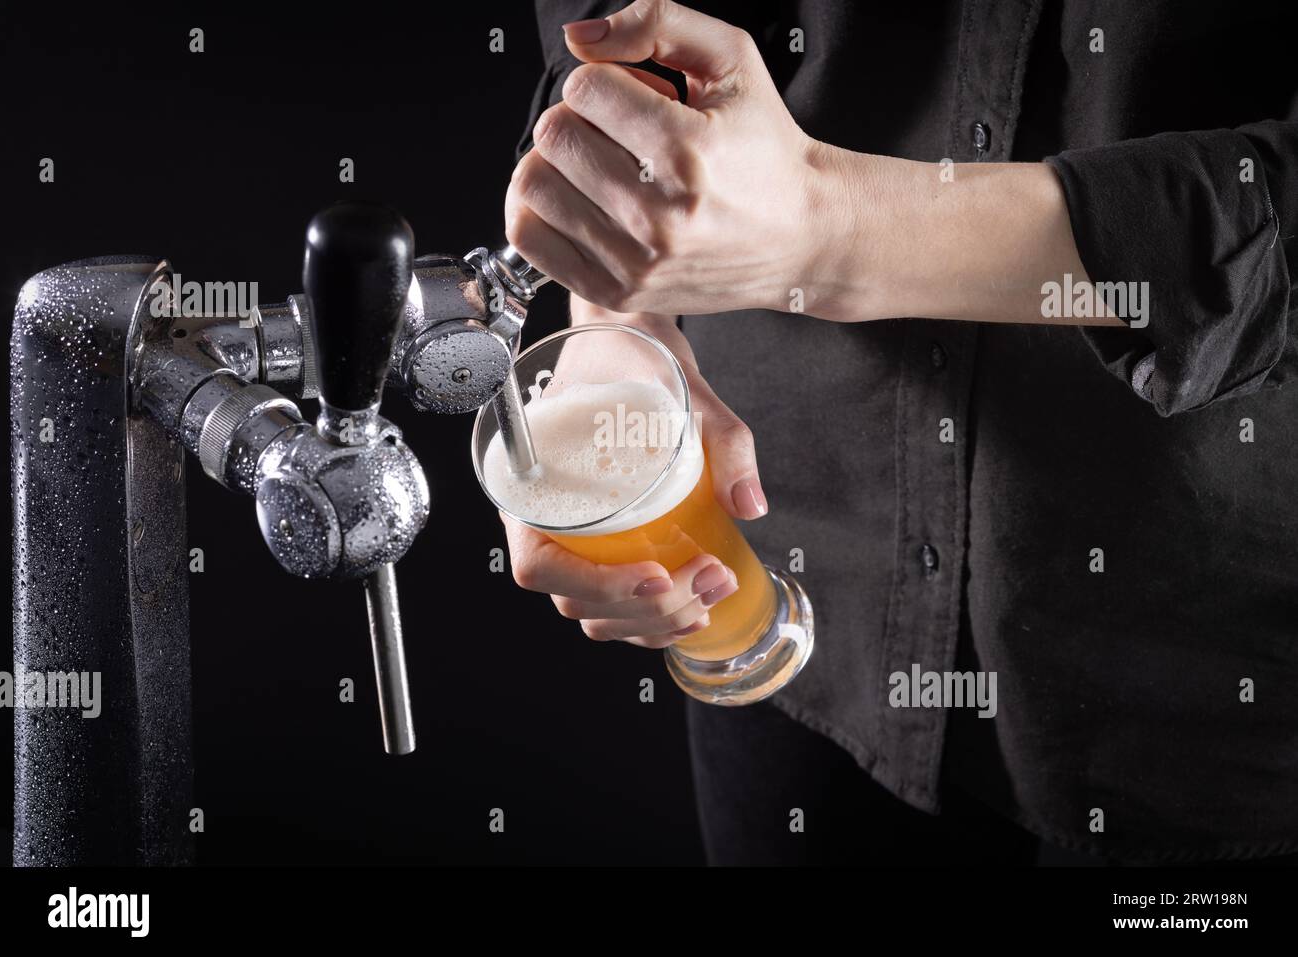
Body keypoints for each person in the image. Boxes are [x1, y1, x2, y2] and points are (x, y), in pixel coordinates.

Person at [501, 0, 1298, 865]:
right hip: (791, 575)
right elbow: (622, 28)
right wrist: (621, 317)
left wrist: (830, 229)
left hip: (1207, 690)